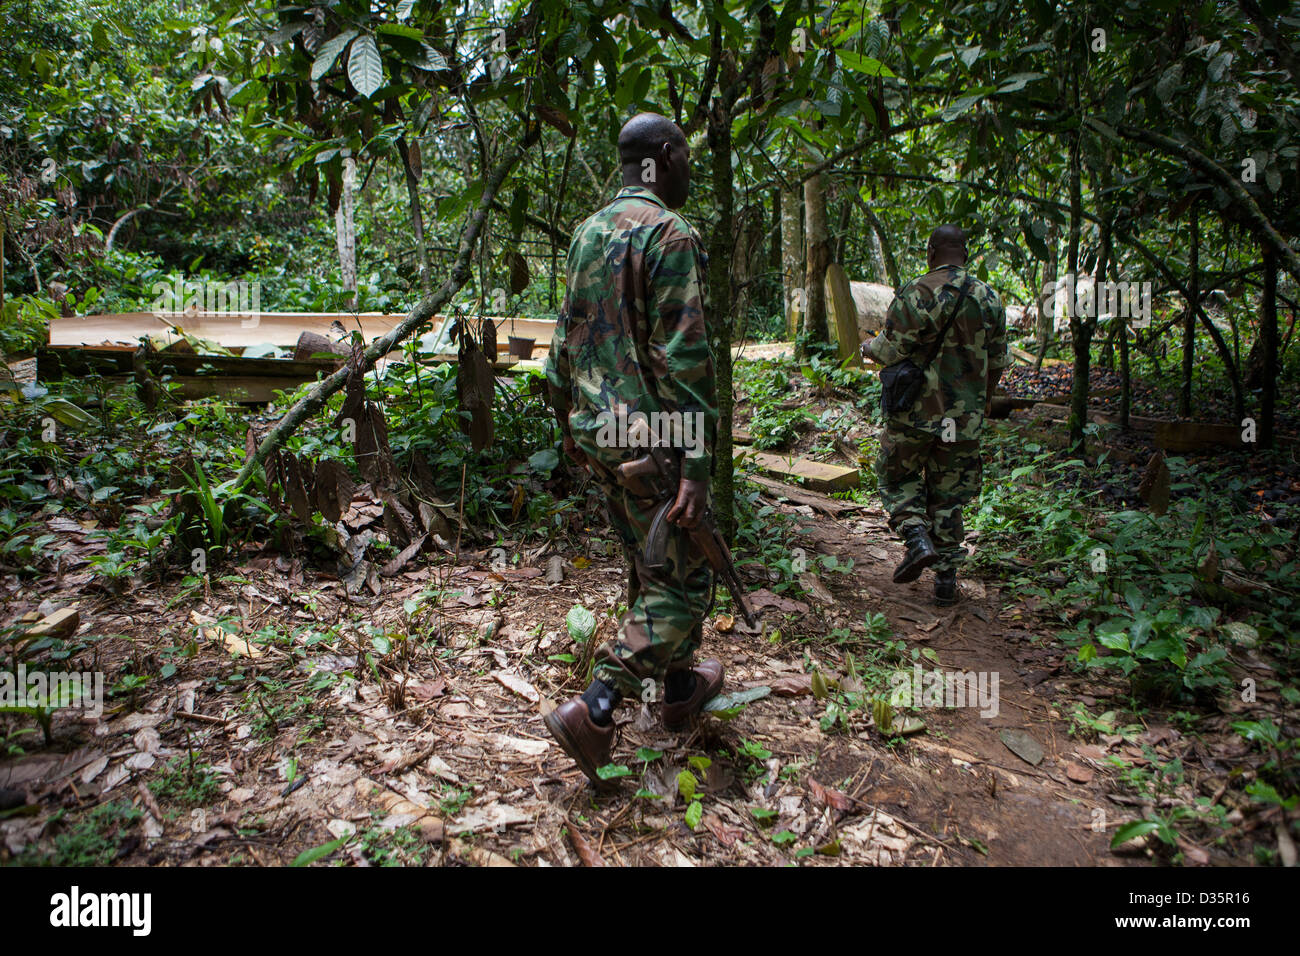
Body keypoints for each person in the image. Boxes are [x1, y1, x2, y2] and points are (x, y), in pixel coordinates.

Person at [542, 113, 723, 784]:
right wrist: (697, 466)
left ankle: (677, 690)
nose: (689, 170)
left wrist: (568, 421)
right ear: (667, 157)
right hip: (656, 437)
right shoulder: (672, 234)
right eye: (686, 158)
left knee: (651, 559)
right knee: (685, 582)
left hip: (600, 435)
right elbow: (689, 362)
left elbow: (565, 340)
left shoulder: (586, 235)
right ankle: (595, 707)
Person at [860, 225, 1008, 606]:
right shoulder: (989, 297)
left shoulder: (916, 292)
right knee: (949, 495)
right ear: (966, 254)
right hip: (962, 419)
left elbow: (890, 350)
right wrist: (984, 402)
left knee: (896, 476)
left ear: (930, 252)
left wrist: (867, 346)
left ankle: (915, 536)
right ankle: (945, 579)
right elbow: (997, 362)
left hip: (914, 413)